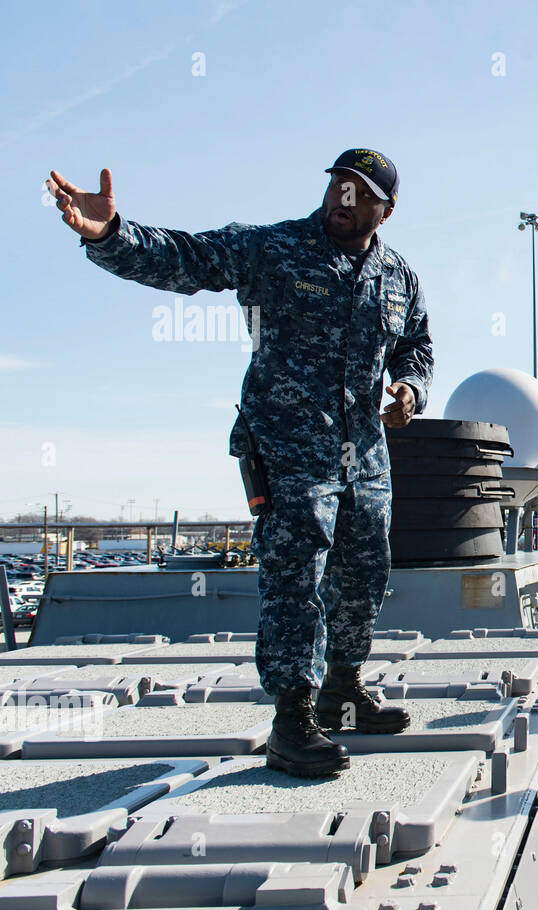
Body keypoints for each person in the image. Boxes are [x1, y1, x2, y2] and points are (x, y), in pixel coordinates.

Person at [48, 150, 434, 777]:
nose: (342, 199)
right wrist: (113, 235)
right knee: (296, 572)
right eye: (336, 186)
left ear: (385, 210)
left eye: (359, 193)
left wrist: (411, 390)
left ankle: (343, 686)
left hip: (363, 450)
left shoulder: (398, 276)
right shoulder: (274, 248)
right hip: (289, 444)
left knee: (366, 568)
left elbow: (416, 343)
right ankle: (292, 715)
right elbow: (189, 257)